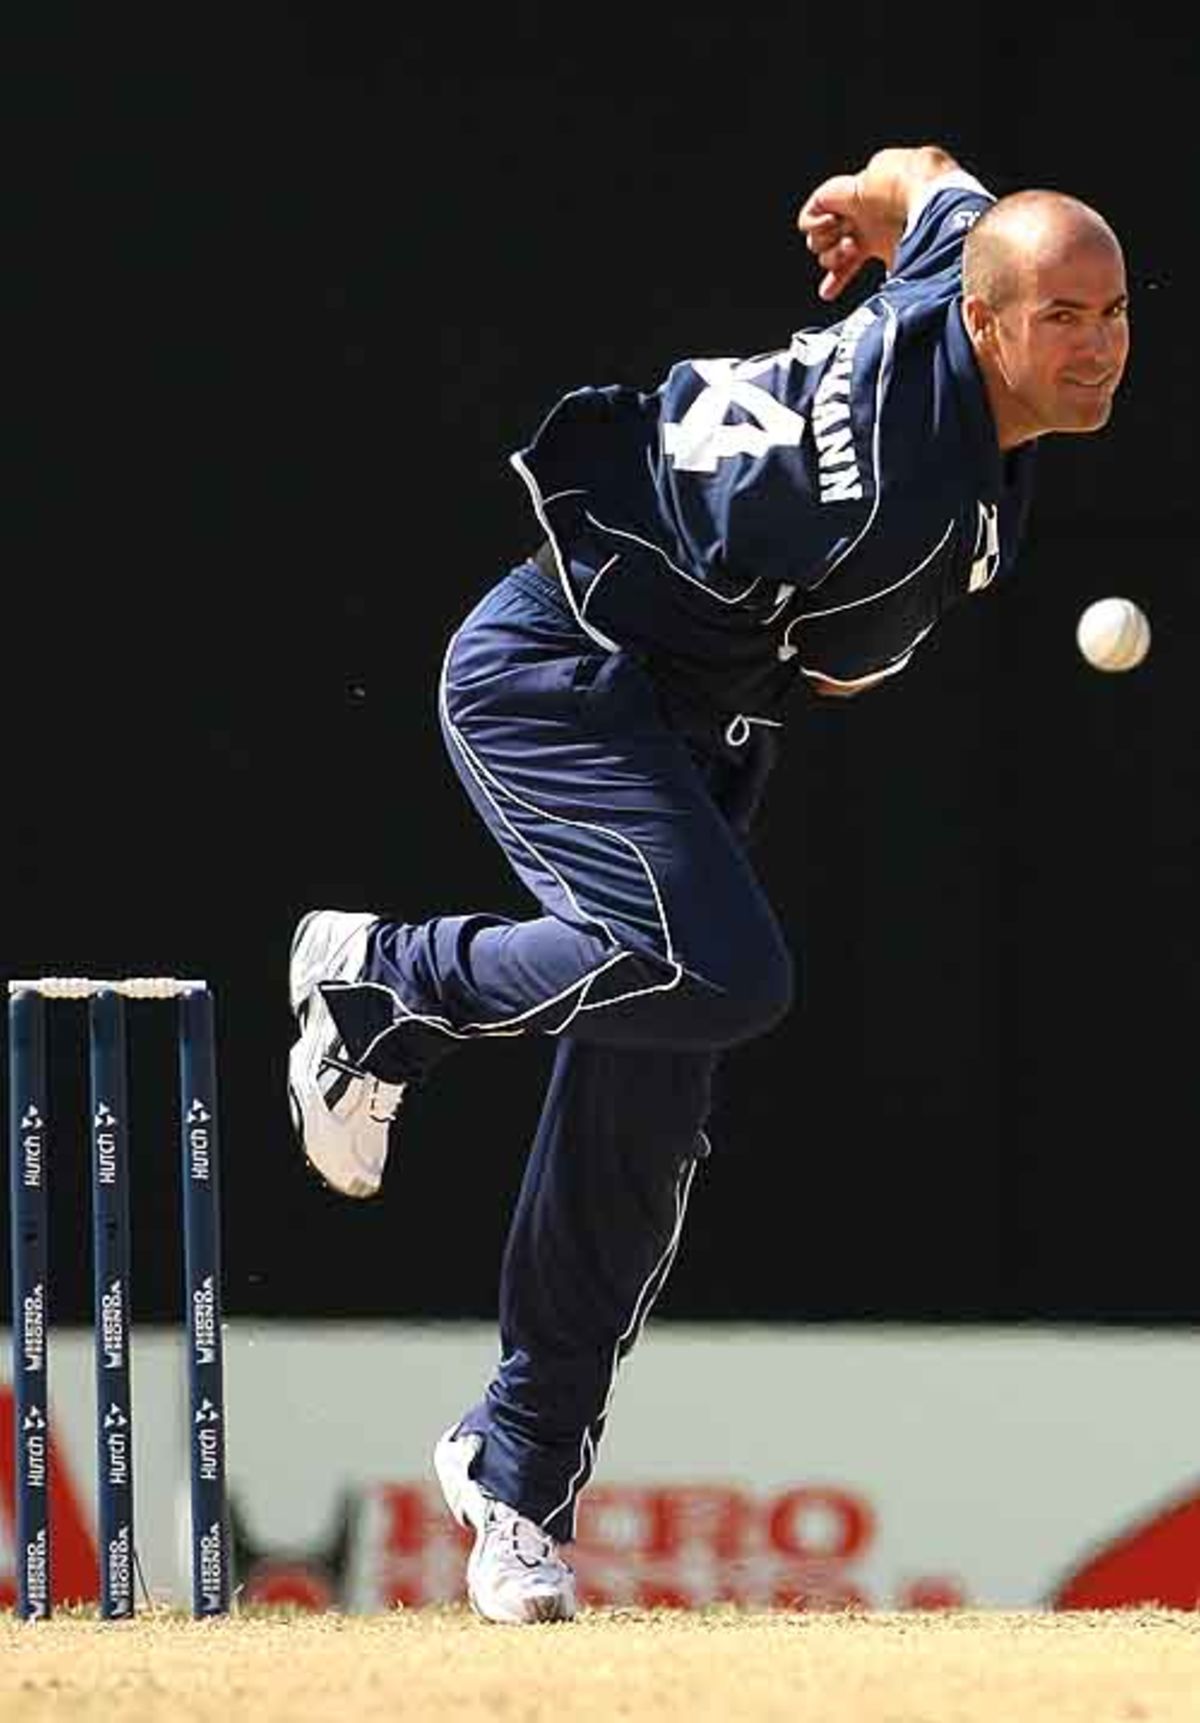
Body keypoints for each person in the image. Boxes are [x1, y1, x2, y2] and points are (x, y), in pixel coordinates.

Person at [286, 142, 1129, 1623]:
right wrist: (888, 236)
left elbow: (924, 171)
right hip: (561, 677)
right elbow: (835, 673)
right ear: (989, 326)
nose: (1101, 345)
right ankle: (386, 986)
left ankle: (517, 1476)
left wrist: (862, 208)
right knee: (720, 976)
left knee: (652, 1092)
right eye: (1062, 317)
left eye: (1116, 310)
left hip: (676, 715)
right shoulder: (909, 525)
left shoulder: (956, 264)